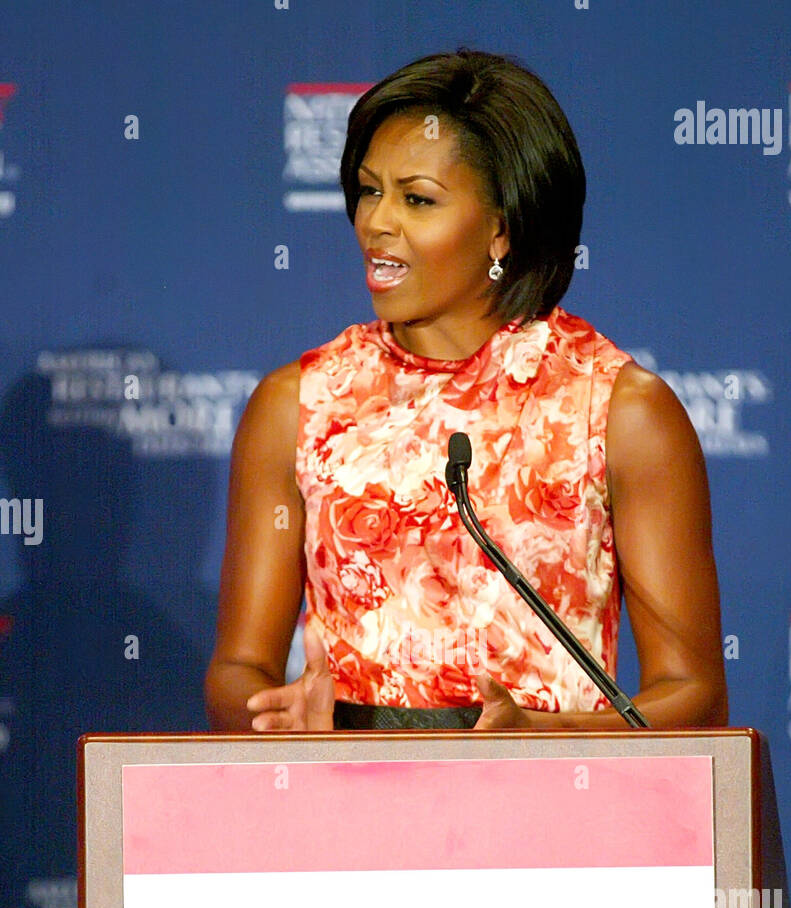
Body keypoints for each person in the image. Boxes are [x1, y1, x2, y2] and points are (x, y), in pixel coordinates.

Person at [205, 49, 728, 733]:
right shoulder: (296, 404)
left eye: (416, 199)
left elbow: (692, 695)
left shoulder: (619, 412)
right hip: (342, 810)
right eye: (369, 190)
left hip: (555, 817)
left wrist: (535, 737)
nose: (376, 223)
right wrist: (274, 718)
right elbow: (236, 671)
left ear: (501, 229)